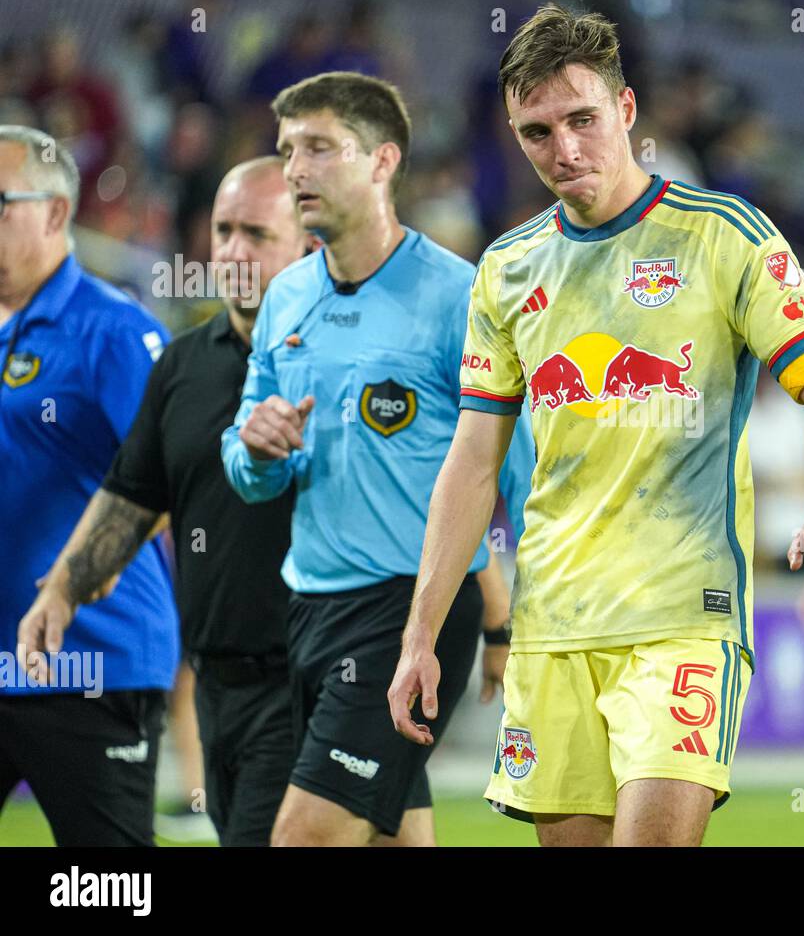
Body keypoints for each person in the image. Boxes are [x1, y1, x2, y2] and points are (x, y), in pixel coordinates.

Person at [388, 3, 804, 847]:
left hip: (684, 614)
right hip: (554, 625)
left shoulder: (724, 235)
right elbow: (471, 463)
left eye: (581, 120)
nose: (564, 150)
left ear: (627, 110)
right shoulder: (506, 270)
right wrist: (421, 631)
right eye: (536, 132)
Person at [222, 72, 532, 847]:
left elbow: (521, 467)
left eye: (320, 148)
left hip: (412, 610)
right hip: (311, 606)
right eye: (288, 150)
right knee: (395, 838)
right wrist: (257, 448)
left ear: (383, 161)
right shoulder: (286, 300)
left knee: (304, 837)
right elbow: (249, 470)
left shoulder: (461, 296)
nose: (295, 170)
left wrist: (523, 617)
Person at [18, 156, 311, 846]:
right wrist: (62, 590)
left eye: (257, 235)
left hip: (311, 674)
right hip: (219, 681)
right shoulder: (184, 364)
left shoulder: (340, 356)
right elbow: (131, 491)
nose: (233, 251)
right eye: (223, 230)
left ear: (309, 244)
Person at [0, 125, 177, 846]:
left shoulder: (113, 331)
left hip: (90, 662)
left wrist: (78, 576)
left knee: (105, 887)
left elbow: (166, 479)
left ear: (53, 212)